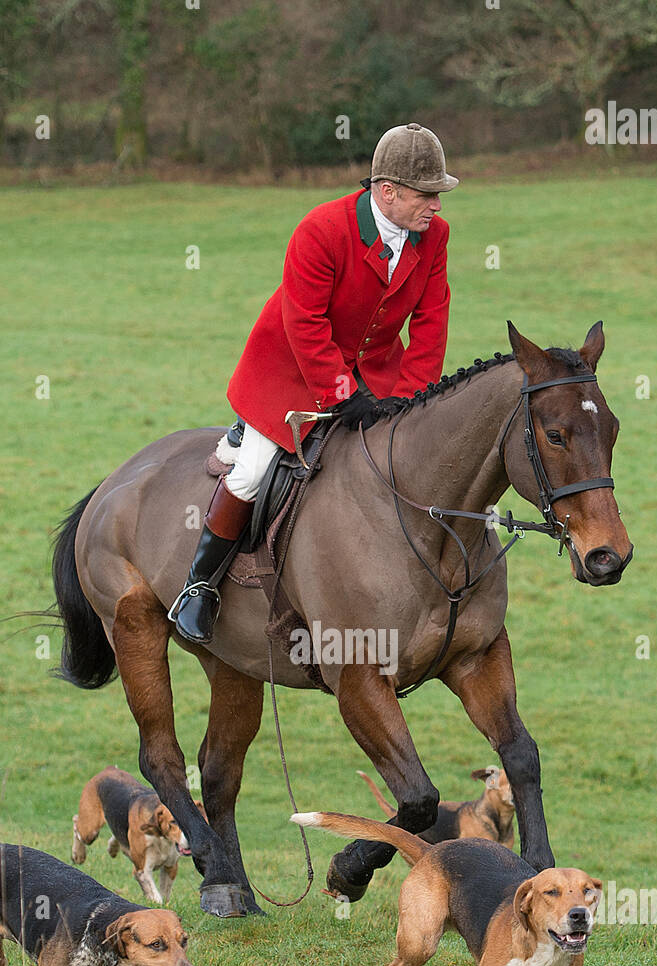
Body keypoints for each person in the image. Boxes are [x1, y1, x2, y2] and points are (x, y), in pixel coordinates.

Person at [171, 122, 458, 644]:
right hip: (290, 372)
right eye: (426, 195)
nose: (436, 206)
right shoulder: (321, 229)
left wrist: (410, 399)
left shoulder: (434, 236)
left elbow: (431, 322)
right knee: (252, 473)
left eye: (438, 195)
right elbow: (304, 323)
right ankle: (199, 586)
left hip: (377, 373)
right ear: (387, 192)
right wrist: (342, 394)